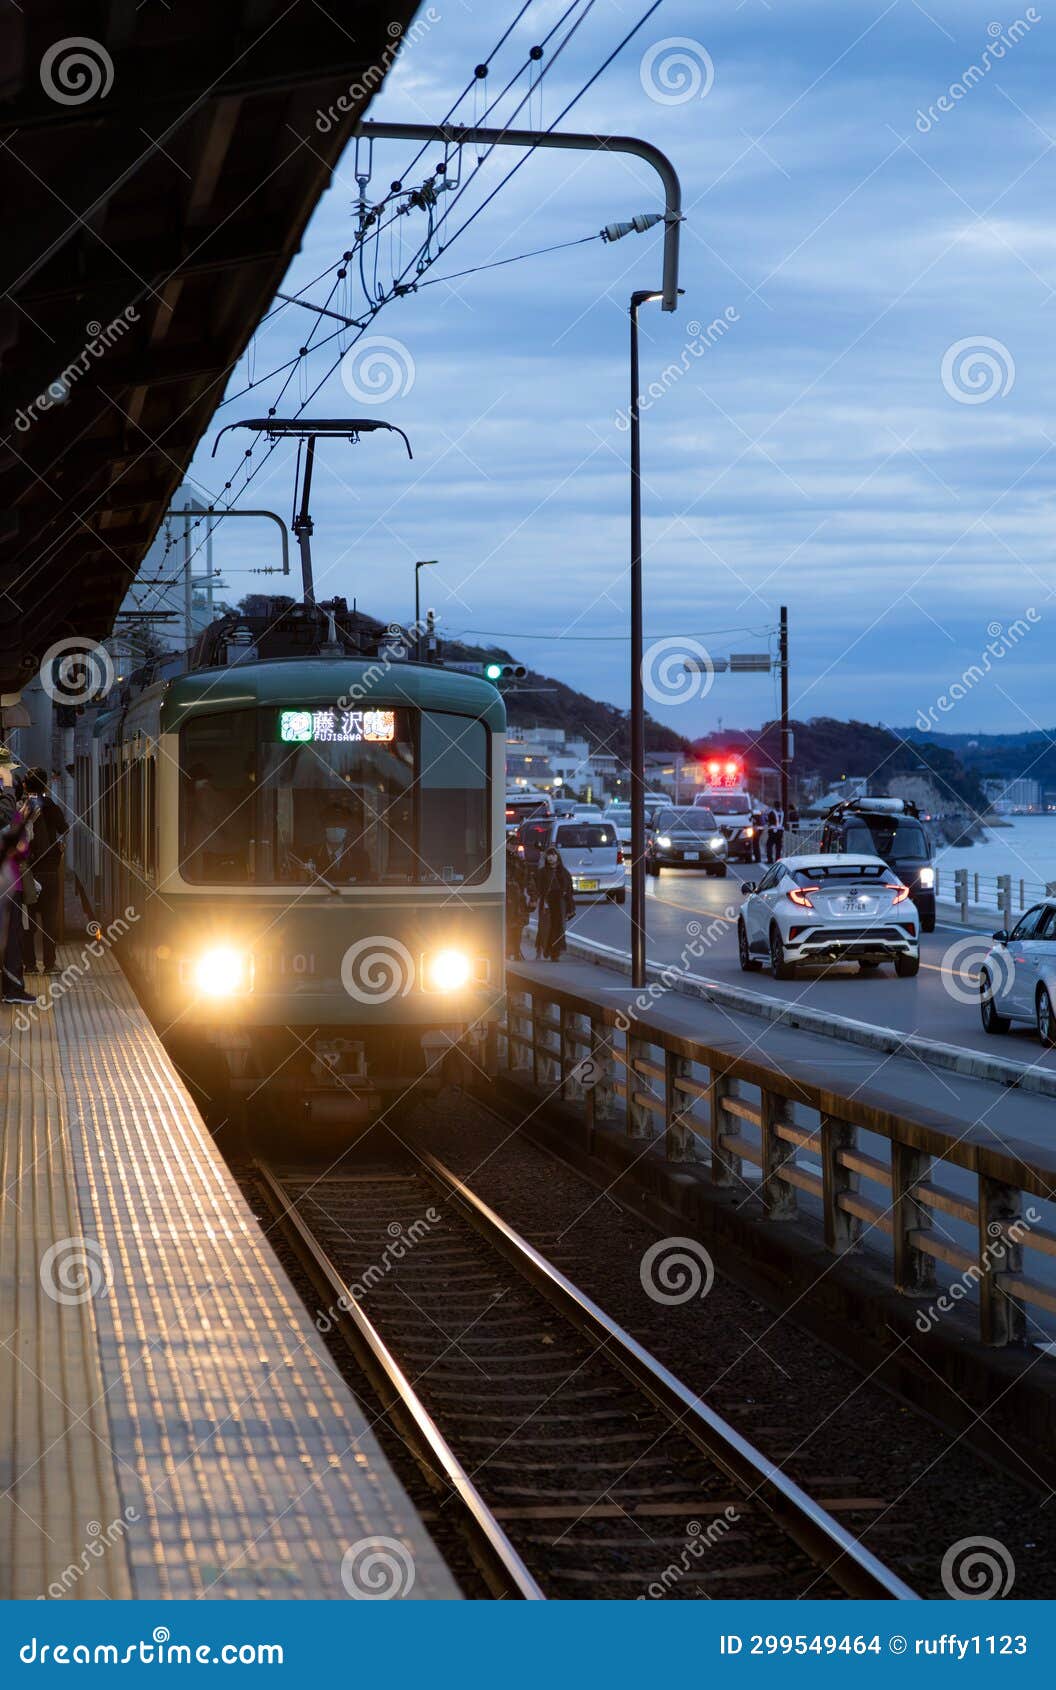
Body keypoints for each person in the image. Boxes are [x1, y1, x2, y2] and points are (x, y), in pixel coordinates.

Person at [23, 768, 67, 973]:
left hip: (27, 872)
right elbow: (64, 829)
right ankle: (49, 964)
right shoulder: (51, 806)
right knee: (49, 920)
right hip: (49, 871)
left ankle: (29, 965)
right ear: (46, 785)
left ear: (25, 786)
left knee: (27, 922)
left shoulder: (22, 808)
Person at [1, 781, 37, 1007]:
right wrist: (23, 821)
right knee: (13, 937)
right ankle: (13, 988)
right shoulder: (10, 817)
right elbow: (23, 850)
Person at [532, 845, 575, 962]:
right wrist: (535, 899)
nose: (551, 858)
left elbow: (569, 890)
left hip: (560, 903)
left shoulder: (564, 872)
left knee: (558, 927)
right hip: (547, 903)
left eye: (553, 855)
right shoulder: (542, 872)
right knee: (545, 927)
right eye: (549, 855)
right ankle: (542, 950)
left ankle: (555, 953)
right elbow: (537, 887)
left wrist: (570, 907)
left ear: (558, 857)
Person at [505, 836, 531, 960]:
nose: (513, 846)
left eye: (515, 844)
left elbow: (528, 880)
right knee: (507, 926)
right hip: (506, 898)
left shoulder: (520, 861)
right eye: (511, 843)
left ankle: (515, 951)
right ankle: (508, 951)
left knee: (517, 926)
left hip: (518, 899)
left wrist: (533, 898)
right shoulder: (500, 860)